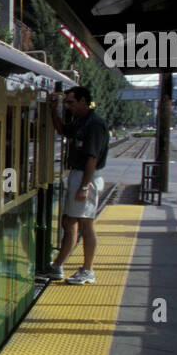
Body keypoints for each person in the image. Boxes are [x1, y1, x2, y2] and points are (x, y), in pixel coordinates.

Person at [39, 86, 109, 285]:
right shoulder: (81, 121)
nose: (68, 106)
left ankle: (87, 270)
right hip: (79, 176)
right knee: (70, 222)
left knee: (84, 223)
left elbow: (92, 158)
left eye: (71, 102)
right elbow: (62, 130)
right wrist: (53, 109)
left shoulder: (94, 125)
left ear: (84, 101)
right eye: (67, 103)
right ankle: (57, 266)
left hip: (86, 177)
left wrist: (85, 186)